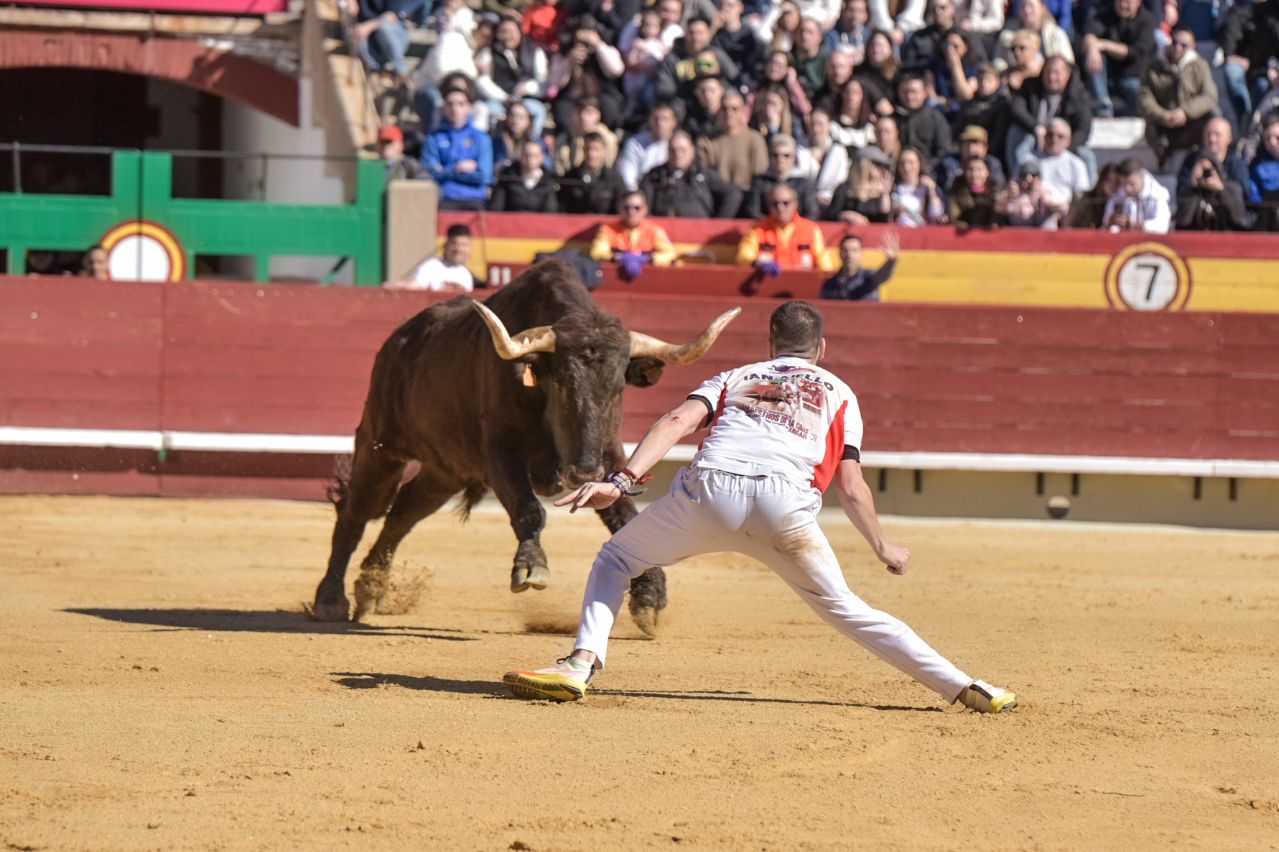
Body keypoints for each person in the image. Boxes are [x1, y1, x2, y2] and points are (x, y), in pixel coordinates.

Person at [501, 300, 1018, 715]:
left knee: (616, 559)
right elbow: (852, 485)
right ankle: (965, 687)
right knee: (849, 611)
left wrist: (621, 480)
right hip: (784, 508)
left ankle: (581, 664)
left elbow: (678, 421)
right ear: (821, 348)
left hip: (710, 494)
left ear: (771, 344)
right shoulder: (841, 393)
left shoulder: (737, 375)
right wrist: (882, 546)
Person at [1137, 27, 1218, 170]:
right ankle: (1163, 157)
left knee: (1213, 115)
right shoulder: (1153, 66)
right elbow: (1144, 97)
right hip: (1163, 123)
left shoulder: (1199, 66)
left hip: (1189, 121)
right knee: (1150, 125)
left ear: (1192, 47)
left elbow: (1209, 96)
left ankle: (1208, 157)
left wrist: (1185, 112)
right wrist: (1163, 115)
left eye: (1183, 45)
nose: (1177, 48)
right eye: (1175, 42)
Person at [421, 84, 495, 211]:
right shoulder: (433, 138)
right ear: (444, 108)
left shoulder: (482, 138)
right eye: (450, 104)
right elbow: (429, 174)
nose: (455, 108)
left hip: (475, 199)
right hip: (444, 198)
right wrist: (456, 169)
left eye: (460, 104)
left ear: (469, 107)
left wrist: (445, 170)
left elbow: (485, 176)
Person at [640, 130, 744, 217]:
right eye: (673, 150)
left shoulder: (703, 173)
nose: (678, 154)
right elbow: (642, 203)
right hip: (661, 231)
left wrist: (718, 225)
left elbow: (733, 194)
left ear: (692, 151)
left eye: (683, 150)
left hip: (702, 232)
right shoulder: (654, 176)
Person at [1082, 0, 1156, 118]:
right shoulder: (1105, 14)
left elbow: (1133, 52)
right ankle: (1103, 109)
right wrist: (1093, 49)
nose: (1123, 5)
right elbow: (1089, 35)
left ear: (1138, 2)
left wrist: (1103, 45)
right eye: (1119, 1)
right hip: (1108, 77)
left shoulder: (1147, 20)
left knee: (1141, 102)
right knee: (1094, 57)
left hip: (1134, 78)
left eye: (1128, 2)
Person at [738, 184, 837, 273]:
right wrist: (757, 262)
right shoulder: (758, 229)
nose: (780, 208)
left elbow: (825, 264)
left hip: (802, 284)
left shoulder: (811, 230)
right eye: (775, 204)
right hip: (768, 283)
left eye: (785, 203)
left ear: (795, 204)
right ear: (769, 206)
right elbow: (743, 257)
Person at [588, 191, 676, 280]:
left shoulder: (655, 231)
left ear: (645, 209)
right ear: (619, 209)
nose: (631, 212)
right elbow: (596, 253)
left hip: (650, 280)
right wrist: (617, 257)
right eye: (626, 208)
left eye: (637, 208)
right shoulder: (608, 229)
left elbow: (670, 253)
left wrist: (648, 259)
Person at [698, 90, 770, 191]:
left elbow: (760, 176)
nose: (729, 113)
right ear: (719, 111)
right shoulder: (706, 141)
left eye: (734, 109)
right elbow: (704, 175)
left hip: (747, 194)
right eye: (724, 108)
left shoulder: (755, 139)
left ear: (742, 111)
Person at [741, 134, 822, 219]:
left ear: (794, 157)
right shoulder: (759, 182)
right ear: (769, 157)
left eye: (786, 155)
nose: (780, 159)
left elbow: (812, 213)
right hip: (766, 226)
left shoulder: (805, 184)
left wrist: (791, 225)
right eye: (775, 155)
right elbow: (752, 211)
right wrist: (773, 224)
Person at [1175, 118, 1251, 207]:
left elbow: (1243, 199)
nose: (1212, 139)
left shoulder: (1237, 164)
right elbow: (1180, 194)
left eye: (1217, 135)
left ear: (1229, 138)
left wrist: (1221, 187)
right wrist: (1194, 182)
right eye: (1208, 134)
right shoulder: (1192, 161)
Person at [1175, 152, 1254, 231]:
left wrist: (1221, 190)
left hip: (1225, 236)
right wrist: (1193, 187)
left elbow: (1238, 219)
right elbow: (1183, 221)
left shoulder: (1233, 189)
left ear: (1216, 170)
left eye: (1207, 170)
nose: (1204, 174)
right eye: (1200, 168)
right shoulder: (1189, 192)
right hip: (1197, 236)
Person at [389, 224, 477, 291]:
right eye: (454, 243)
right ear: (446, 245)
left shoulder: (466, 275)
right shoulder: (432, 265)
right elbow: (414, 286)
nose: (459, 249)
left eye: (464, 245)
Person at [559, 131, 628, 214]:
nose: (591, 154)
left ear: (604, 151)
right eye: (588, 149)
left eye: (596, 149)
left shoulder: (614, 179)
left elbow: (622, 206)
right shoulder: (570, 176)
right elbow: (561, 207)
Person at [617, 102, 680, 190]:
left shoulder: (680, 145)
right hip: (642, 192)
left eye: (665, 119)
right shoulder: (635, 143)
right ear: (650, 120)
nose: (660, 123)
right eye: (656, 118)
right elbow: (628, 175)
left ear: (674, 122)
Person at [894, 74, 951, 170]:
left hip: (930, 170)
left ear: (925, 92)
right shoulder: (893, 118)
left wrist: (924, 169)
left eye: (914, 92)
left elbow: (943, 152)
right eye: (905, 92)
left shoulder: (935, 118)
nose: (910, 96)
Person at [824, 146, 895, 223]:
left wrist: (885, 194)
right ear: (864, 163)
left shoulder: (881, 193)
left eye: (883, 166)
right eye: (877, 164)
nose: (881, 168)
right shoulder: (844, 189)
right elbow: (831, 216)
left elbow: (884, 220)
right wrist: (846, 215)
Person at [797, 108, 852, 207]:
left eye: (820, 124)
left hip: (830, 202)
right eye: (812, 125)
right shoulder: (798, 149)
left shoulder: (838, 151)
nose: (816, 129)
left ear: (829, 126)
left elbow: (840, 179)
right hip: (804, 201)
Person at [820, 231, 899, 299]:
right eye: (845, 250)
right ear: (840, 253)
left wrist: (891, 261)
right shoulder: (830, 284)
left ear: (861, 253)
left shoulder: (869, 277)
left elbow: (882, 275)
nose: (849, 254)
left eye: (855, 250)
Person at [1102, 157, 1172, 233]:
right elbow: (1106, 227)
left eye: (1131, 183)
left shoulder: (1157, 194)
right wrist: (1110, 224)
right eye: (1123, 184)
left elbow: (1162, 225)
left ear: (1142, 177)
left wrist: (1139, 226)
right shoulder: (1119, 194)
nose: (1127, 188)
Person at [489, 139, 559, 212]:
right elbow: (496, 207)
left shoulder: (548, 180)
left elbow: (551, 210)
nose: (530, 159)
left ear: (542, 158)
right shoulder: (508, 176)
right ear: (521, 156)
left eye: (535, 156)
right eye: (527, 155)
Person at [936, 124, 1006, 197]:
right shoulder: (949, 163)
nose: (971, 148)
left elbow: (1000, 188)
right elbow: (946, 189)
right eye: (967, 144)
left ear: (985, 147)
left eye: (975, 143)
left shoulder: (993, 163)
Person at [998, 159, 1068, 228]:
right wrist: (1010, 202)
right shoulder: (1014, 191)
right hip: (1019, 232)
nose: (1029, 179)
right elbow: (998, 207)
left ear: (1039, 177)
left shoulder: (1046, 189)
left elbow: (1065, 208)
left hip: (1045, 232)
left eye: (1033, 175)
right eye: (1024, 176)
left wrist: (1048, 203)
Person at [1034, 117, 1091, 201]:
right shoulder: (1029, 160)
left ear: (1069, 141)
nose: (1054, 139)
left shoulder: (1076, 164)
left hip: (1065, 206)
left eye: (1060, 136)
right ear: (1044, 136)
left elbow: (1080, 196)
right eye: (1050, 134)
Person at [891, 146, 946, 225]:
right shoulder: (893, 189)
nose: (907, 167)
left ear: (919, 164)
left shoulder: (928, 188)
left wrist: (932, 191)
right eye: (902, 163)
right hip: (900, 231)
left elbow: (937, 214)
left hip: (924, 231)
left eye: (911, 162)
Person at [947, 155, 1004, 227]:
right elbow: (953, 218)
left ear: (987, 171)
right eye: (970, 170)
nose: (974, 175)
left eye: (979, 169)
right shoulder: (956, 190)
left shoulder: (997, 190)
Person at [1247, 113, 1279, 231]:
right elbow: (1254, 196)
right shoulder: (1258, 167)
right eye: (1268, 138)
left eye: (1277, 137)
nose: (1272, 143)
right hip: (1268, 216)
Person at [1064, 162, 1120, 228]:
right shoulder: (1083, 198)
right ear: (1102, 180)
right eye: (1109, 180)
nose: (1113, 185)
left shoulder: (1119, 204)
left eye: (1117, 182)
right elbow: (1067, 225)